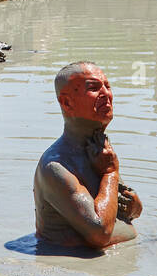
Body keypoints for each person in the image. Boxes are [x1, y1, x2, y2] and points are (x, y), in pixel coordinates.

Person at [33, 62, 142, 249]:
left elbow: (114, 211)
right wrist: (110, 174)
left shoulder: (99, 148)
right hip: (71, 266)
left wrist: (134, 208)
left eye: (107, 86)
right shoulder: (56, 166)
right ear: (67, 102)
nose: (106, 94)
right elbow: (100, 234)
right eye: (93, 88)